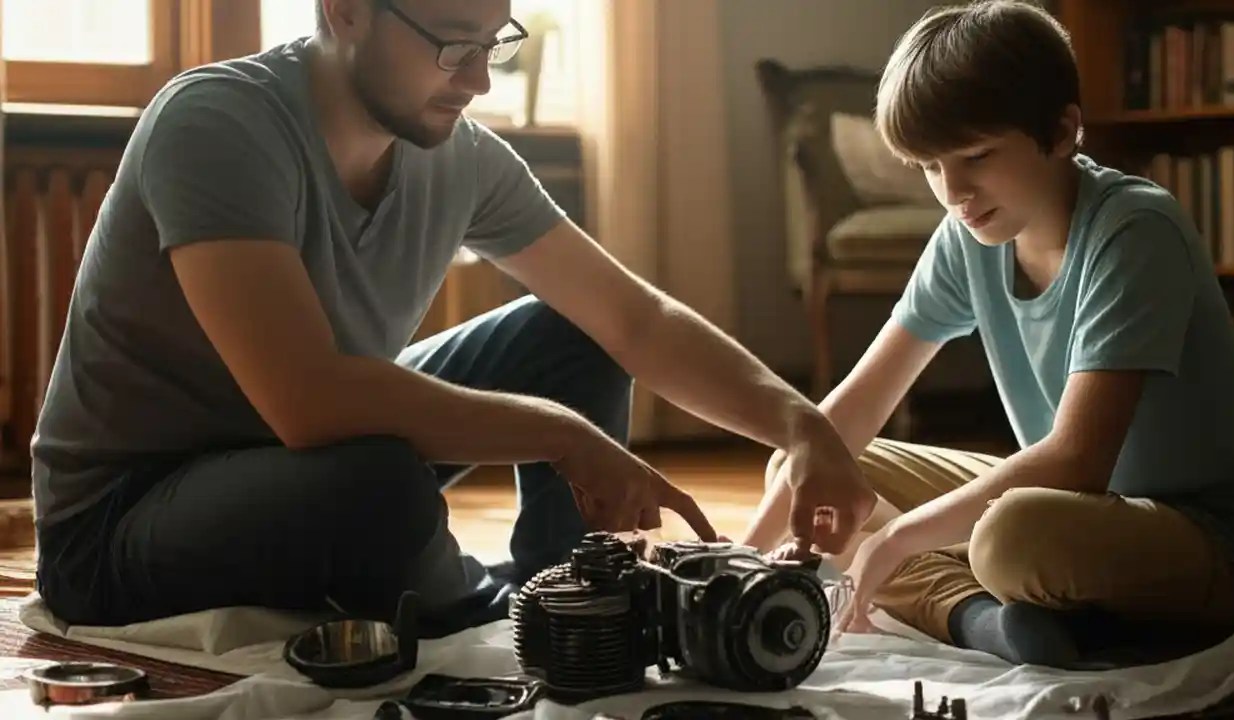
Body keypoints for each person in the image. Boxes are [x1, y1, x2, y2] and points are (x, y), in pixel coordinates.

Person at [30, 0, 877, 637]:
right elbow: (309, 402)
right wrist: (560, 432)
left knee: (568, 333)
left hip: (310, 462)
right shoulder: (216, 123)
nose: (476, 79)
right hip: (121, 525)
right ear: (346, 11)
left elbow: (636, 320)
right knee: (376, 488)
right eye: (450, 44)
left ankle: (567, 598)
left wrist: (798, 423)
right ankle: (486, 618)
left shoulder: (461, 155)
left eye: (494, 42)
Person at [744, 0, 1234, 668]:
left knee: (1008, 539)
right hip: (1063, 511)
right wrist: (742, 558)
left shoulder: (1135, 230)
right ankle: (985, 621)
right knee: (814, 470)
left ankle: (977, 600)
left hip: (1195, 547)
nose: (954, 191)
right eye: (931, 167)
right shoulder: (966, 237)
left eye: (975, 155)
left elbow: (1077, 462)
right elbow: (851, 413)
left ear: (1061, 132)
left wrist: (897, 538)